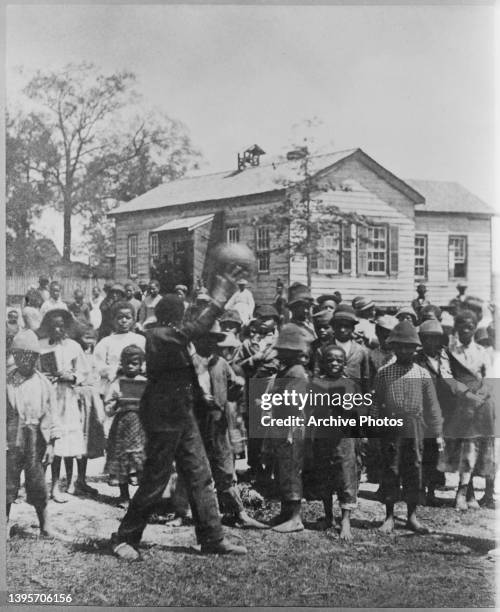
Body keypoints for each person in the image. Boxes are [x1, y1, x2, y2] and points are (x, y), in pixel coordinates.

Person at [111, 270, 249, 560]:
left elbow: (187, 376)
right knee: (154, 480)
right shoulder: (159, 335)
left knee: (200, 475)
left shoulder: (174, 337)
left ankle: (212, 537)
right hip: (162, 418)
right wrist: (220, 297)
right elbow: (197, 327)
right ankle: (125, 539)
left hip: (182, 415)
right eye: (183, 312)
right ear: (174, 315)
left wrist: (202, 400)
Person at [372, 320, 443, 534]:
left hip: (415, 426)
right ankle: (390, 516)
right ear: (393, 347)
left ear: (415, 349)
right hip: (391, 426)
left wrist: (438, 433)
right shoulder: (384, 372)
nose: (405, 351)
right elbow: (375, 402)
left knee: (414, 469)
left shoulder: (422, 374)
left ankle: (412, 516)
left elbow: (433, 406)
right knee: (391, 469)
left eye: (409, 347)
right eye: (400, 346)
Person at [192, 328, 267, 529]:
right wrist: (199, 398)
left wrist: (234, 391)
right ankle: (197, 513)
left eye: (212, 341)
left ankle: (238, 513)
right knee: (197, 468)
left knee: (225, 468)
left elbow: (235, 384)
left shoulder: (221, 363)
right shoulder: (190, 363)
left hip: (219, 421)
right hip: (197, 422)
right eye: (203, 339)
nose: (208, 344)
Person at [7, 330, 60, 537]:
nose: (25, 361)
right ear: (14, 356)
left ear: (37, 358)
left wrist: (51, 445)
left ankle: (45, 526)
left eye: (30, 356)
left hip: (36, 437)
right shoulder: (7, 382)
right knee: (8, 482)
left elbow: (52, 415)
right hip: (11, 437)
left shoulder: (44, 384)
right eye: (20, 356)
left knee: (37, 481)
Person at [38, 309, 93, 502]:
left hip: (67, 397)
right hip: (48, 397)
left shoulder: (74, 347)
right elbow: (31, 370)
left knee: (68, 442)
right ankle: (49, 487)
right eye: (53, 326)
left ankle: (69, 483)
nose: (58, 329)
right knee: (52, 440)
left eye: (61, 325)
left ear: (67, 327)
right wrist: (43, 376)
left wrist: (72, 376)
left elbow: (84, 372)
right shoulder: (41, 345)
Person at [309, 345, 361, 540]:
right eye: (330, 360)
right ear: (323, 362)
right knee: (324, 475)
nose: (334, 364)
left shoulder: (350, 384)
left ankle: (345, 520)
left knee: (346, 476)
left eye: (339, 360)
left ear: (345, 363)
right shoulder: (316, 383)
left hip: (344, 438)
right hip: (323, 436)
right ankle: (329, 516)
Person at [445, 310, 494, 510]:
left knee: (475, 447)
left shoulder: (482, 352)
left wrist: (480, 396)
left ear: (475, 327)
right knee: (463, 449)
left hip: (480, 405)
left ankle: (467, 491)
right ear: (457, 328)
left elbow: (488, 377)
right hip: (459, 403)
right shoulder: (449, 350)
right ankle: (463, 491)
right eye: (462, 326)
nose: (466, 329)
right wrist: (466, 395)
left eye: (470, 326)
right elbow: (447, 376)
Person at [267, 325, 310, 533]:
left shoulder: (297, 372)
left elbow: (295, 402)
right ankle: (286, 512)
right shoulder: (285, 371)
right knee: (283, 470)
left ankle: (295, 517)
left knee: (292, 470)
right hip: (281, 424)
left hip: (292, 426)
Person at [104, 345, 147, 508]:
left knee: (141, 461)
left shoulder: (145, 382)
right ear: (122, 363)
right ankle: (124, 496)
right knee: (121, 462)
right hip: (122, 427)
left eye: (134, 363)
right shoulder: (116, 384)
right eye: (127, 363)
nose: (130, 366)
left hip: (140, 427)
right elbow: (108, 409)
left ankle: (142, 497)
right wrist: (117, 403)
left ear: (141, 364)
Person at [94, 301, 146, 401]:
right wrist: (117, 369)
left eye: (128, 318)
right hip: (114, 383)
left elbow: (146, 361)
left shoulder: (140, 339)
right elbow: (98, 366)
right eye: (119, 317)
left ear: (133, 320)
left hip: (136, 382)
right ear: (113, 320)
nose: (124, 321)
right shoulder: (106, 342)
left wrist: (139, 368)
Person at [331, 306, 370, 392]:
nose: (342, 330)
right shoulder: (323, 350)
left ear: (352, 328)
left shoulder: (361, 351)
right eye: (339, 326)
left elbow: (365, 379)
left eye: (346, 326)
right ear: (333, 327)